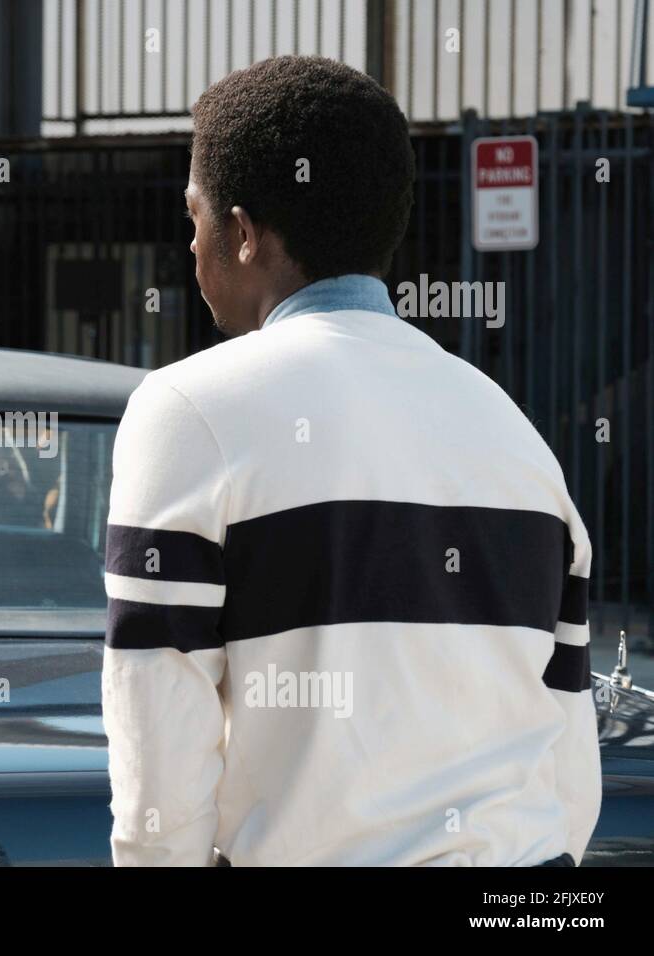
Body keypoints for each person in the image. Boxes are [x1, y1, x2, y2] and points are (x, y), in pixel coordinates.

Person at [101, 56, 600, 866]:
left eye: (193, 217)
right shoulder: (517, 435)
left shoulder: (187, 410)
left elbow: (161, 746)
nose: (190, 246)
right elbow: (569, 763)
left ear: (242, 231)